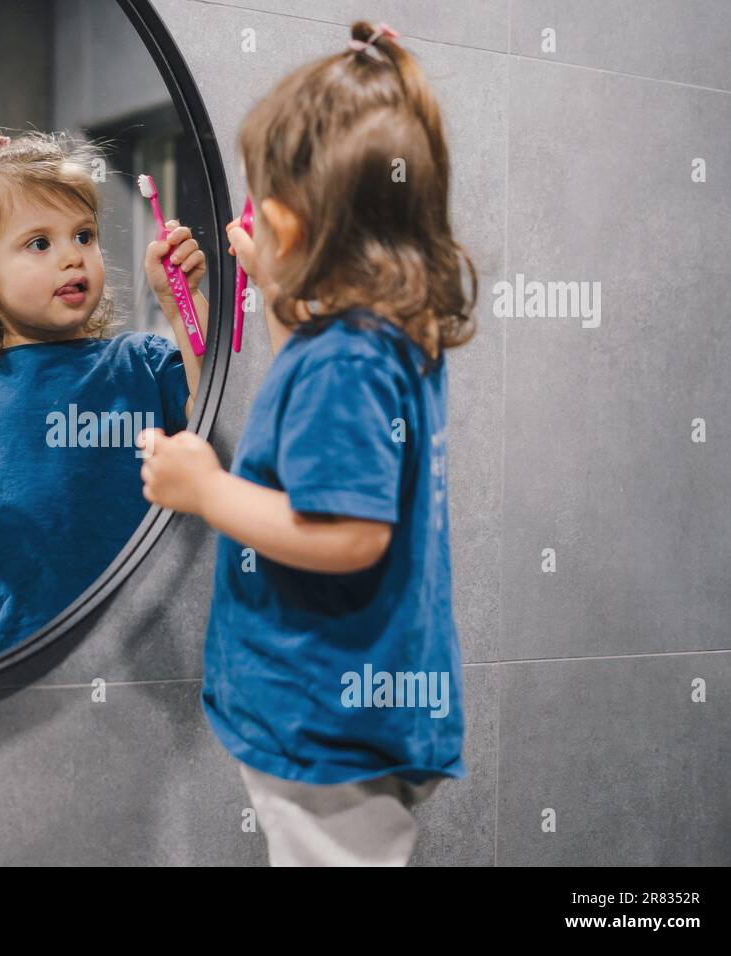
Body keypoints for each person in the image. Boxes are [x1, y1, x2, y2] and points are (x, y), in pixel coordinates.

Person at [139, 21, 479, 865]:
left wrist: (207, 490)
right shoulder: (393, 335)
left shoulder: (345, 359)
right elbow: (329, 409)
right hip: (363, 704)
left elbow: (352, 534)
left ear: (294, 224)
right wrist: (275, 279)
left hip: (329, 719)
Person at [0, 127, 206, 669]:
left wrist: (180, 301)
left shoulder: (141, 363)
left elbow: (219, 406)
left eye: (83, 236)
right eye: (40, 243)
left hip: (150, 652)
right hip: (15, 655)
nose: (73, 258)